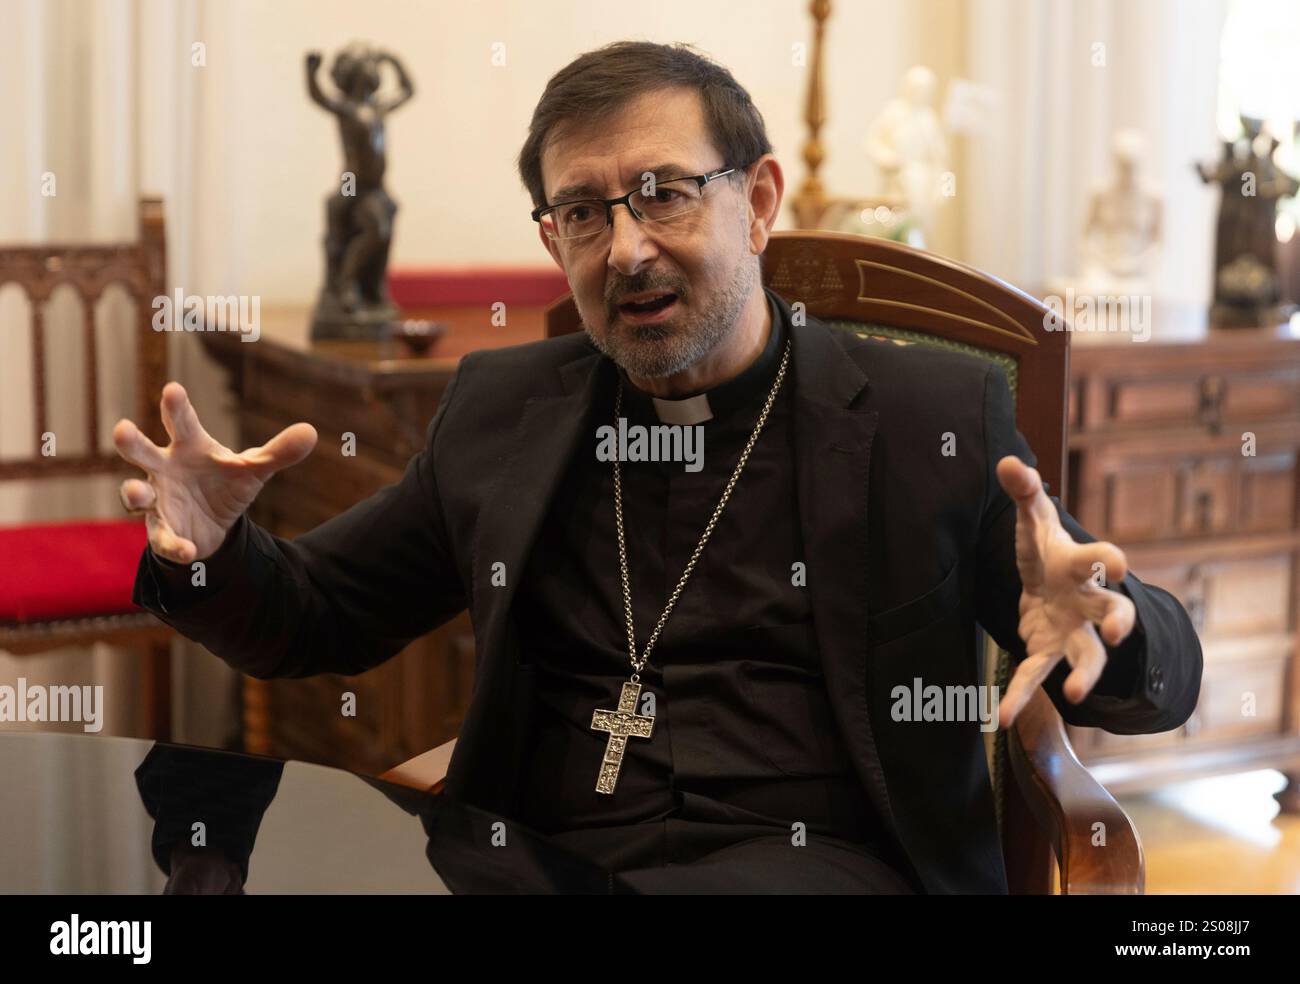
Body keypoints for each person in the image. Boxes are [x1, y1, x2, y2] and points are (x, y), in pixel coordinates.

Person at [115, 41, 1202, 894]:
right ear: (553, 245)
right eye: (582, 212)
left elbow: (1145, 667)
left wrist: (1114, 623)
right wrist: (210, 555)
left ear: (759, 200)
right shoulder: (501, 412)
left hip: (828, 867)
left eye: (663, 192)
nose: (624, 246)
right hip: (529, 858)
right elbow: (321, 614)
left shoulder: (932, 417)